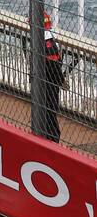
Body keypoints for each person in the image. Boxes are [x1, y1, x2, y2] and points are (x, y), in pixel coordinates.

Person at [43, 10, 67, 143]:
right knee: (49, 111)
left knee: (49, 112)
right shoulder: (50, 42)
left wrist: (61, 80)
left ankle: (52, 139)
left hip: (48, 82)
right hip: (49, 82)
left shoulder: (46, 44)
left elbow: (54, 66)